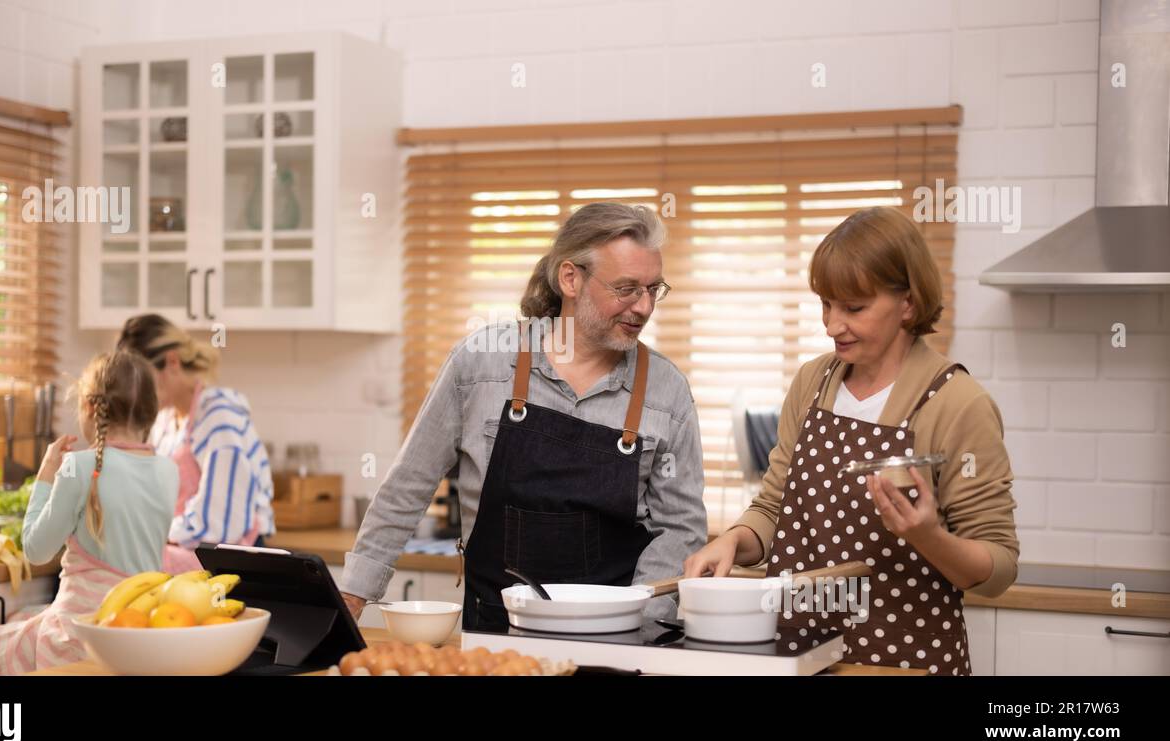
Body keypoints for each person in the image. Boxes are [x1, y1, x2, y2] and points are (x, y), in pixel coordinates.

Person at [340, 202, 709, 630]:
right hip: (495, 634)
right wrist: (353, 593)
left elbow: (679, 529)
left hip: (615, 641)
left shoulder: (667, 391)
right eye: (626, 288)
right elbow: (408, 485)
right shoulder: (482, 364)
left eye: (653, 288)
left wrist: (636, 623)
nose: (644, 307)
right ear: (571, 278)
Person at [683, 206, 1019, 675]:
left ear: (909, 302)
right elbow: (776, 506)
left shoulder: (957, 402)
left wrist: (927, 536)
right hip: (800, 656)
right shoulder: (813, 382)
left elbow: (997, 567)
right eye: (826, 304)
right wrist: (734, 542)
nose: (831, 324)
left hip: (904, 663)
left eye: (854, 308)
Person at [0, 350, 176, 674]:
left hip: (75, 639)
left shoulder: (78, 466)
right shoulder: (168, 471)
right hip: (136, 641)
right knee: (20, 619)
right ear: (150, 413)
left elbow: (35, 550)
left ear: (90, 407)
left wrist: (46, 473)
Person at [116, 315, 274, 572]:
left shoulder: (219, 417)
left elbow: (222, 523)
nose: (138, 393)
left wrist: (154, 532)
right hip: (184, 555)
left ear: (172, 362)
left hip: (226, 566)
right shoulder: (165, 420)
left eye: (144, 381)